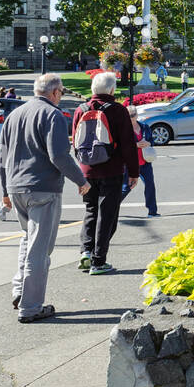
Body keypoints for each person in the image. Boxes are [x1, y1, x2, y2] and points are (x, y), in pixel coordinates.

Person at [0, 74, 91, 323]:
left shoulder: (14, 115)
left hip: (16, 186)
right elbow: (59, 155)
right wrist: (81, 181)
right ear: (55, 92)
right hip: (42, 188)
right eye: (62, 91)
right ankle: (31, 306)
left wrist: (5, 191)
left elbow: (1, 158)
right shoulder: (53, 115)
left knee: (27, 241)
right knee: (40, 250)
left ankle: (20, 291)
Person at [71, 72, 139, 274]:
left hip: (87, 171)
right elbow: (128, 145)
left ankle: (86, 252)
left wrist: (81, 168)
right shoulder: (118, 110)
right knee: (107, 215)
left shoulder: (80, 109)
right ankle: (98, 261)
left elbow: (75, 141)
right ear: (111, 90)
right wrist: (133, 172)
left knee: (90, 211)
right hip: (111, 169)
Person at [122, 105, 159, 217]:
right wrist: (135, 145)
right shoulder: (123, 129)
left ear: (137, 115)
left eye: (133, 115)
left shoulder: (144, 127)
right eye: (129, 116)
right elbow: (121, 146)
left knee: (150, 186)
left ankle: (152, 211)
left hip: (145, 162)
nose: (131, 118)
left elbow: (151, 141)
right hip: (130, 164)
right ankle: (109, 208)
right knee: (126, 188)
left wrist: (149, 143)